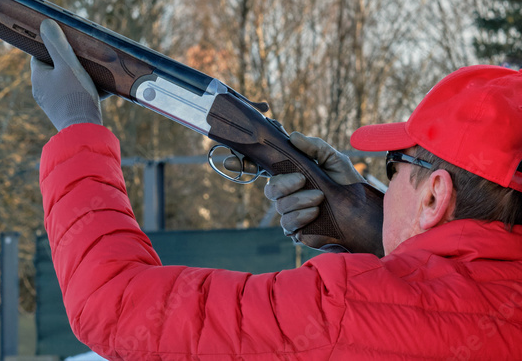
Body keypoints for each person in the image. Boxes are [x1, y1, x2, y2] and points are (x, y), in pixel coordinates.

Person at [31, 19, 522, 360]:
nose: (382, 183)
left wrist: (77, 127)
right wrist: (384, 243)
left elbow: (112, 308)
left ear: (435, 196)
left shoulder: (342, 307)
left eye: (394, 167)